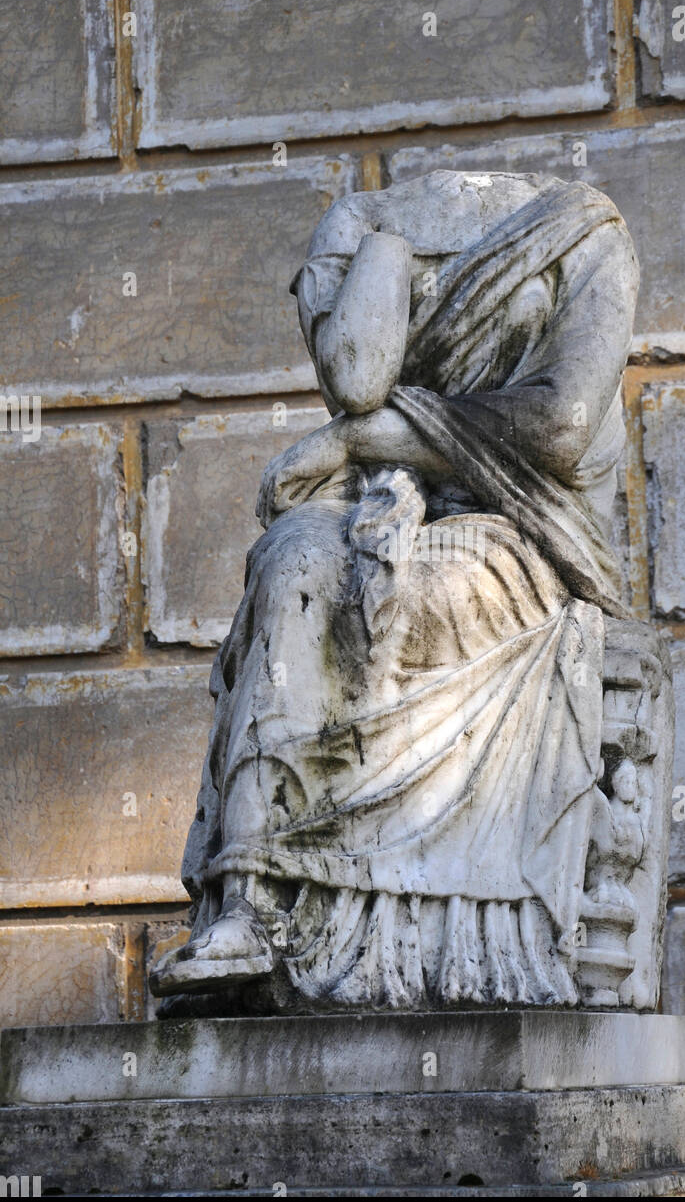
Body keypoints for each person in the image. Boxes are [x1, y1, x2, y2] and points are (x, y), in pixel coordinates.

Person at [151, 169, 639, 1009]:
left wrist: (359, 440)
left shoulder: (584, 232)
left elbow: (559, 427)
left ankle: (450, 938)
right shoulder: (359, 232)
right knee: (291, 564)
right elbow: (357, 376)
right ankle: (252, 902)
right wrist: (381, 244)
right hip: (391, 502)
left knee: (428, 589)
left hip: (524, 525)